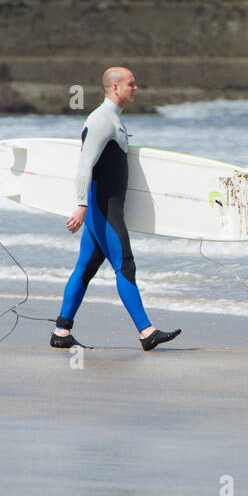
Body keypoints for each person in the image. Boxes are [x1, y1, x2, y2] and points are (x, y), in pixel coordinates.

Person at [51, 66, 181, 351]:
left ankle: (61, 331)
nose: (136, 88)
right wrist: (82, 205)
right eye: (132, 84)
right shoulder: (101, 120)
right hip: (102, 208)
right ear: (116, 88)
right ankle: (147, 332)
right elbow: (84, 165)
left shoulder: (112, 119)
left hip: (107, 208)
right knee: (125, 264)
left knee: (85, 269)